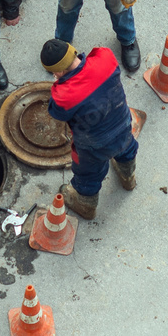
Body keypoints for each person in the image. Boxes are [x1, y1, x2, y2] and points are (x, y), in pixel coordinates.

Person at [41, 38, 138, 220]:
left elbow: (56, 112)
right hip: (123, 124)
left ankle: (85, 205)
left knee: (88, 174)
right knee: (127, 149)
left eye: (54, 72)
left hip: (94, 145)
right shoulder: (106, 57)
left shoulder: (63, 95)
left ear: (59, 71)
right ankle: (128, 178)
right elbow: (94, 57)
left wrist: (59, 81)